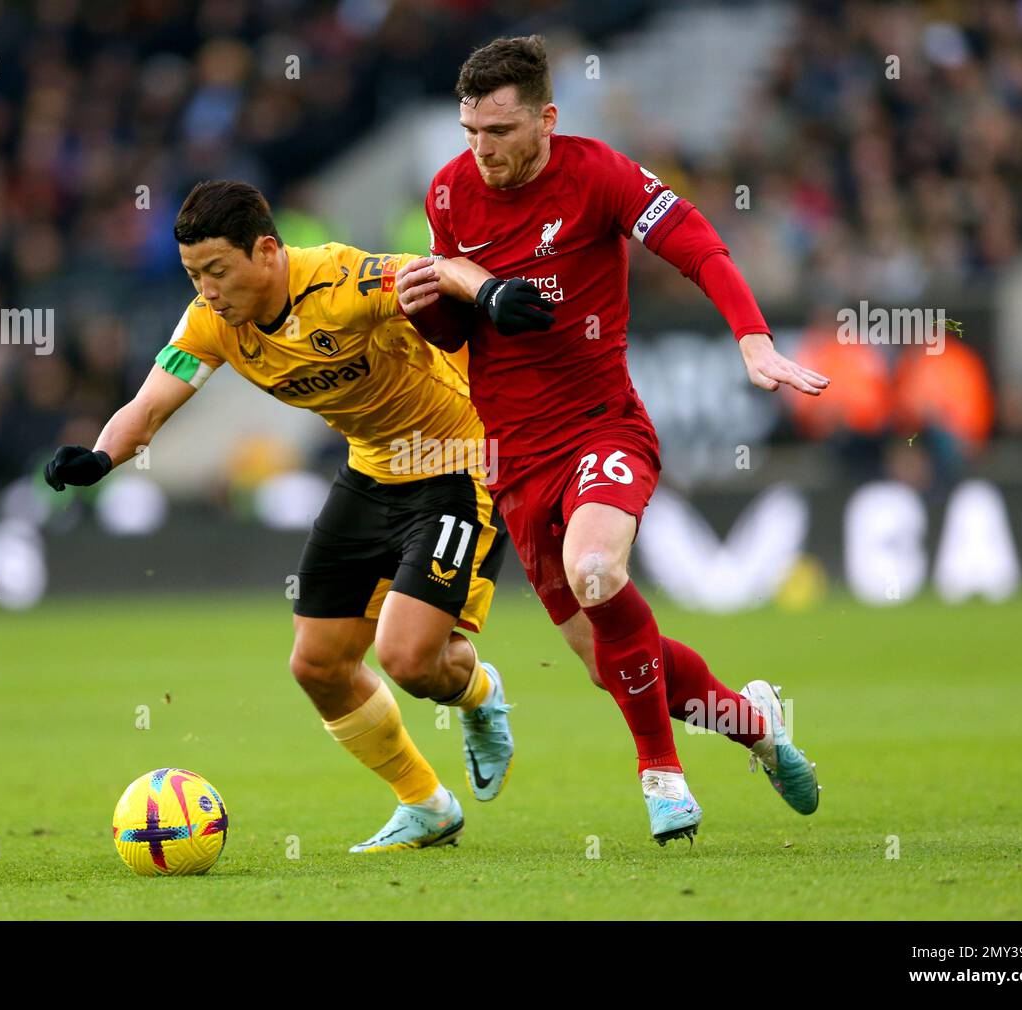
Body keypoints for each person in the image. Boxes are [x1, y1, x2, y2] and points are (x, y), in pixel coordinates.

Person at [397, 36, 827, 845]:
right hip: (514, 461)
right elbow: (454, 323)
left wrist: (753, 338)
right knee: (612, 665)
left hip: (603, 426)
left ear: (547, 120)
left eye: (499, 130)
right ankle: (757, 725)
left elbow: (695, 241)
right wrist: (433, 306)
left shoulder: (598, 174)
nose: (482, 150)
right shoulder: (449, 194)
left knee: (596, 569)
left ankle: (660, 776)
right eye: (470, 131)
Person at [45, 181, 514, 852]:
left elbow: (435, 272)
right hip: (371, 472)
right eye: (194, 274)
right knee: (317, 665)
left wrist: (494, 294)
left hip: (453, 465)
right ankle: (427, 805)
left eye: (217, 270)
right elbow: (147, 408)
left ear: (266, 250)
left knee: (410, 660)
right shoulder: (210, 321)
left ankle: (480, 694)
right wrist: (99, 458)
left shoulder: (340, 279)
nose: (206, 288)